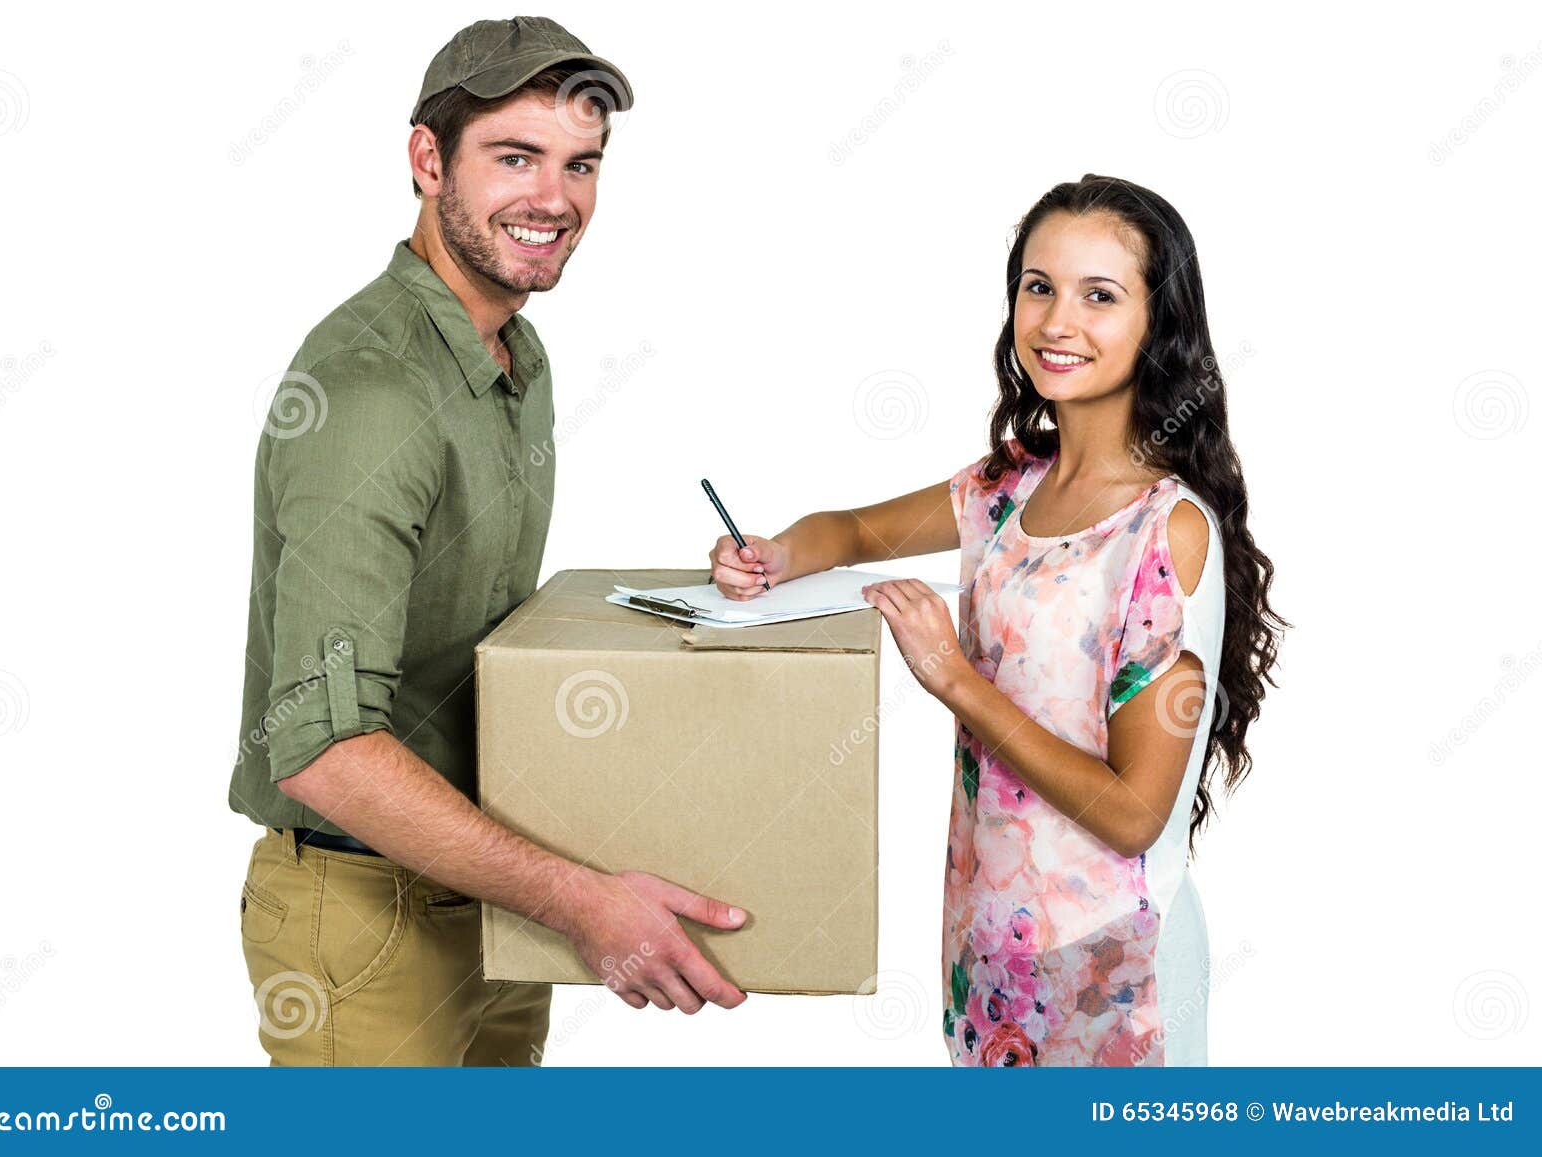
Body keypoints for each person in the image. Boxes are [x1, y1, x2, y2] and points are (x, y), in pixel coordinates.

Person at [230, 17, 748, 1068]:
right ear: (428, 162)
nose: (553, 199)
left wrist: (701, 595)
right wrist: (581, 898)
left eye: (580, 165)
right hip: (368, 910)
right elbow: (325, 751)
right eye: (514, 158)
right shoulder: (372, 391)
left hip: (493, 889)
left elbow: (487, 622)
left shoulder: (514, 350)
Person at [708, 174, 1285, 1066]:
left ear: (1158, 322)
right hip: (987, 956)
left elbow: (1134, 814)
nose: (1058, 321)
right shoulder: (1008, 486)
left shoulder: (1166, 531)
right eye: (1039, 286)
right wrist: (778, 553)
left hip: (1112, 971)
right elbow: (858, 529)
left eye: (1100, 295)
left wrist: (953, 679)